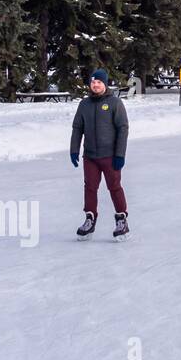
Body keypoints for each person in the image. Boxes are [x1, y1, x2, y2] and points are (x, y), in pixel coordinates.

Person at [71, 68, 131, 240]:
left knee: (114, 187)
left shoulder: (114, 103)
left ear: (105, 84)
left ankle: (122, 219)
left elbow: (123, 129)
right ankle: (90, 218)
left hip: (110, 155)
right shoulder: (84, 104)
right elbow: (77, 128)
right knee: (90, 187)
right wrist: (74, 149)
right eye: (93, 82)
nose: (95, 85)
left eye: (99, 82)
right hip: (90, 156)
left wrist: (120, 154)